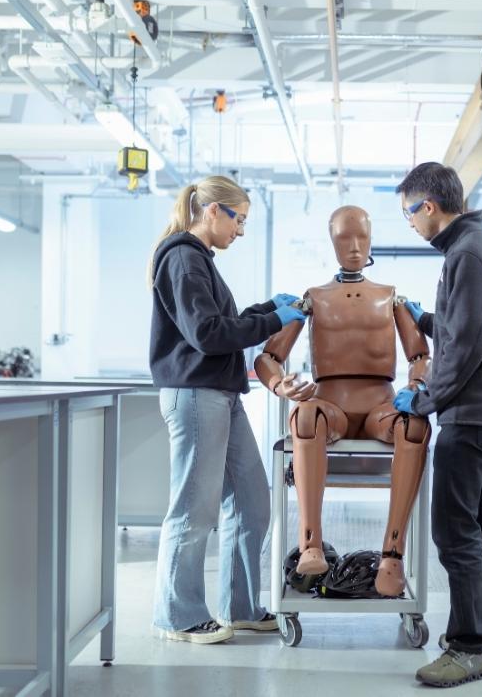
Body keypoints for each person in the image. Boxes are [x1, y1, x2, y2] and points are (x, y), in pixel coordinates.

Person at [148, 175, 306, 644]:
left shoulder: (201, 262)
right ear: (213, 210)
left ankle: (239, 608)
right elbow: (208, 335)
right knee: (194, 511)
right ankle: (178, 616)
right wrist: (273, 321)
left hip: (220, 393)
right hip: (195, 393)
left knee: (253, 501)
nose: (240, 231)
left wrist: (267, 309)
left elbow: (223, 323)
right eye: (239, 220)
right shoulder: (182, 258)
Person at [254, 205, 431, 597]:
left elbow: (420, 355)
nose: (353, 247)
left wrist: (416, 386)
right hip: (328, 405)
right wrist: (282, 386)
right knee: (304, 417)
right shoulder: (314, 299)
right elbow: (268, 357)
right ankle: (311, 544)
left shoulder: (391, 299)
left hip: (381, 407)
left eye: (361, 238)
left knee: (416, 425)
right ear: (331, 242)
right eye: (343, 238)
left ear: (371, 242)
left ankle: (392, 554)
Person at [391, 162, 482, 688]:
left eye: (409, 214)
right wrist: (426, 319)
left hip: (470, 414)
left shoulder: (465, 255)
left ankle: (468, 649)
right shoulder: (479, 249)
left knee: (455, 529)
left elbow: (465, 347)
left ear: (429, 206)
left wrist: (425, 400)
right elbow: (466, 326)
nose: (411, 225)